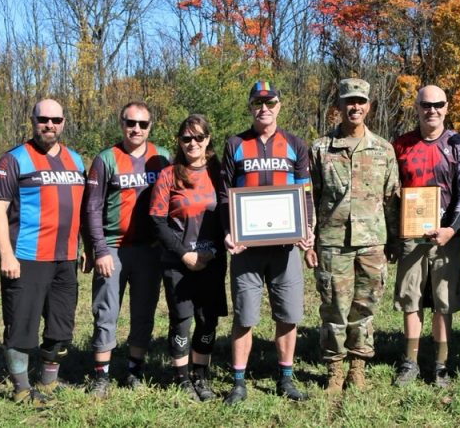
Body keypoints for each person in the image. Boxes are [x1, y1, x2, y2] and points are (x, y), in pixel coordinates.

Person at [221, 81, 313, 404]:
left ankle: (286, 377)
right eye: (258, 103)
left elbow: (305, 193)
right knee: (245, 315)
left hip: (285, 247)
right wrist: (228, 231)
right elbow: (224, 196)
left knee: (288, 314)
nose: (264, 108)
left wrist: (308, 228)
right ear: (250, 106)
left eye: (270, 102)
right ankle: (238, 381)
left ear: (279, 105)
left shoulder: (295, 145)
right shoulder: (235, 144)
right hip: (246, 248)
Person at [0, 99, 86, 405]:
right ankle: (20, 388)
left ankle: (47, 383)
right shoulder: (13, 160)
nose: (50, 125)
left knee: (61, 327)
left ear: (64, 122)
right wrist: (5, 252)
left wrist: (87, 246)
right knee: (21, 327)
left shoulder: (77, 160)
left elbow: (81, 208)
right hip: (26, 257)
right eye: (43, 119)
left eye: (56, 119)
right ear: (32, 120)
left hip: (66, 257)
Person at [308, 78, 400, 394]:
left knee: (365, 306)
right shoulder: (321, 149)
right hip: (333, 242)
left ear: (369, 106)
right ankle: (335, 368)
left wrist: (395, 239)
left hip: (372, 242)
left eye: (360, 101)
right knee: (334, 306)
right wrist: (311, 240)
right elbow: (311, 198)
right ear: (339, 106)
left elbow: (391, 198)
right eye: (349, 101)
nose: (355, 107)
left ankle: (357, 367)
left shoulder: (383, 149)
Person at [83, 102, 170, 397]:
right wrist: (99, 250)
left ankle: (134, 369)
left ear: (150, 127)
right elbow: (92, 208)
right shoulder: (106, 159)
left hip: (149, 249)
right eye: (130, 123)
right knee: (106, 312)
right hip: (113, 248)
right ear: (121, 123)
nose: (136, 129)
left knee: (144, 312)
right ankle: (101, 376)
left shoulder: (163, 158)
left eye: (142, 124)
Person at [391, 85, 460, 388]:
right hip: (411, 235)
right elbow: (392, 193)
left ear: (447, 107)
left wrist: (453, 228)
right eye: (426, 104)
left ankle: (440, 365)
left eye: (438, 104)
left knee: (443, 301)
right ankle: (410, 361)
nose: (432, 110)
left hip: (446, 235)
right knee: (411, 299)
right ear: (417, 107)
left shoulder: (458, 143)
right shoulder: (400, 145)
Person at [149, 114, 229, 401]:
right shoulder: (168, 175)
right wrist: (185, 255)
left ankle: (201, 374)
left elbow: (230, 216)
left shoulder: (220, 172)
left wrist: (213, 251)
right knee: (181, 319)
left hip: (213, 259)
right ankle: (182, 377)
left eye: (198, 137)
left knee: (207, 321)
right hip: (178, 260)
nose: (192, 143)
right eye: (186, 138)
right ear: (179, 142)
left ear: (208, 139)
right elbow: (157, 221)